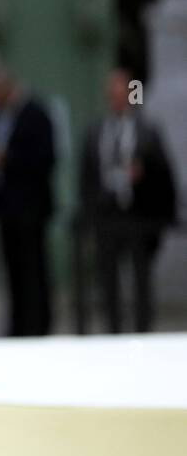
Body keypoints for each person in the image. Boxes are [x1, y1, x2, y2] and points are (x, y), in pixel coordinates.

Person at [79, 68, 177, 332]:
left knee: (141, 280)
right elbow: (87, 177)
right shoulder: (96, 131)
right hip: (106, 216)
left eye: (121, 93)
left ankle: (144, 331)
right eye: (112, 93)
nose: (117, 98)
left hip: (138, 215)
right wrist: (89, 215)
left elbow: (165, 174)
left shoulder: (148, 131)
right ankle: (113, 333)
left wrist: (143, 174)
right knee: (108, 281)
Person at [0, 63, 56, 336]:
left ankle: (37, 326)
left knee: (33, 270)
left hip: (31, 210)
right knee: (13, 271)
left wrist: (8, 159)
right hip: (7, 210)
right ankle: (19, 325)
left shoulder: (35, 114)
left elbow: (46, 159)